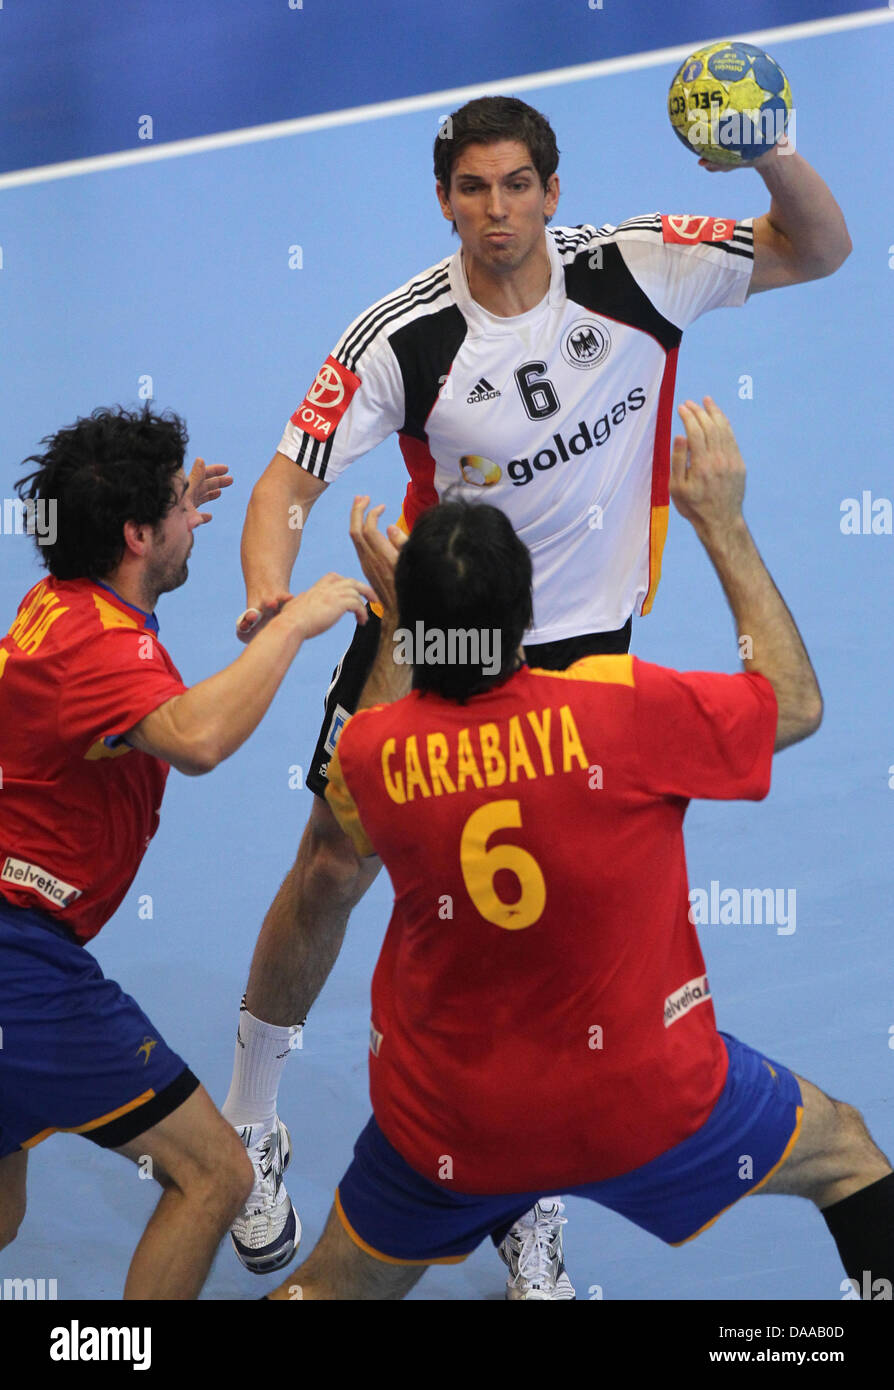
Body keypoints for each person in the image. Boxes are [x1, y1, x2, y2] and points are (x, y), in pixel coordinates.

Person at [224, 93, 852, 1297]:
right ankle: (252, 1116)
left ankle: (523, 1192)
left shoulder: (642, 269)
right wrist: (269, 594)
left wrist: (768, 145)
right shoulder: (403, 338)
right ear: (445, 199)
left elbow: (815, 247)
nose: (496, 211)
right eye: (473, 189)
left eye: (517, 186)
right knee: (329, 866)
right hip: (443, 627)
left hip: (585, 660)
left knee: (558, 919)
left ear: (552, 193)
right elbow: (286, 482)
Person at [261, 397, 894, 1301]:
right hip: (647, 1103)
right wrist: (723, 524)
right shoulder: (620, 711)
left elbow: (359, 790)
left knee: (321, 1289)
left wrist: (400, 623)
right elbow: (794, 702)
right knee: (848, 1158)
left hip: (450, 1128)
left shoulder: (374, 756)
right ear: (526, 619)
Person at [0, 405, 375, 1299]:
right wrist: (298, 622)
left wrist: (166, 511)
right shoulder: (103, 650)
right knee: (216, 1176)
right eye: (176, 504)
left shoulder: (59, 602)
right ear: (133, 534)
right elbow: (199, 739)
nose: (193, 513)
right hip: (24, 967)